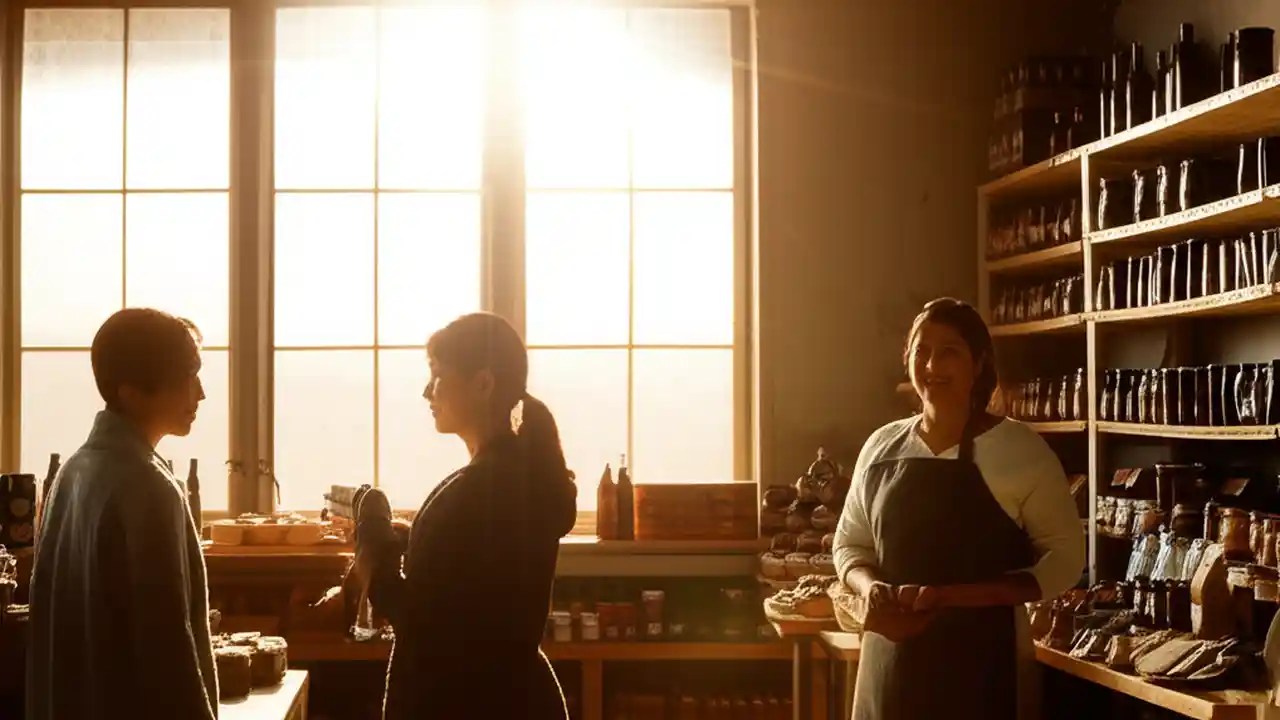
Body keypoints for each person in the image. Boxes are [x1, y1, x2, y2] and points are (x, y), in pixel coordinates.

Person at [834, 298, 1083, 720]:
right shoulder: (881, 447)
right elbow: (849, 544)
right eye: (921, 351)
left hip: (983, 669)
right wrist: (867, 587)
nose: (932, 365)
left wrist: (955, 597)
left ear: (980, 363)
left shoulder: (1020, 450)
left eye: (949, 351)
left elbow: (1065, 561)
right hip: (890, 664)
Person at [354, 312, 578, 720]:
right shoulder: (507, 477)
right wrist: (412, 541)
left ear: (483, 383)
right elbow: (468, 596)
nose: (427, 391)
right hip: (508, 697)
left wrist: (371, 535)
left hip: (469, 703)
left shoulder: (484, 488)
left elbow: (423, 624)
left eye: (437, 374)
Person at [26, 308, 216, 719]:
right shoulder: (147, 487)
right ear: (131, 389)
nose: (200, 392)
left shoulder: (72, 472)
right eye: (187, 375)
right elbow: (168, 651)